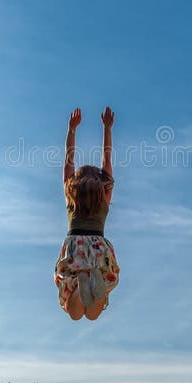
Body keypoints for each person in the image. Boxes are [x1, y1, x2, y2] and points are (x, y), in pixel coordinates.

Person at [54, 106, 120, 320]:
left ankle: (82, 280)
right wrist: (107, 128)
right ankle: (92, 279)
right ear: (102, 182)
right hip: (99, 246)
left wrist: (71, 130)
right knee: (93, 314)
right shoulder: (104, 194)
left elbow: (68, 161)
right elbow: (107, 161)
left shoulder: (70, 193)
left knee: (73, 312)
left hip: (75, 246)